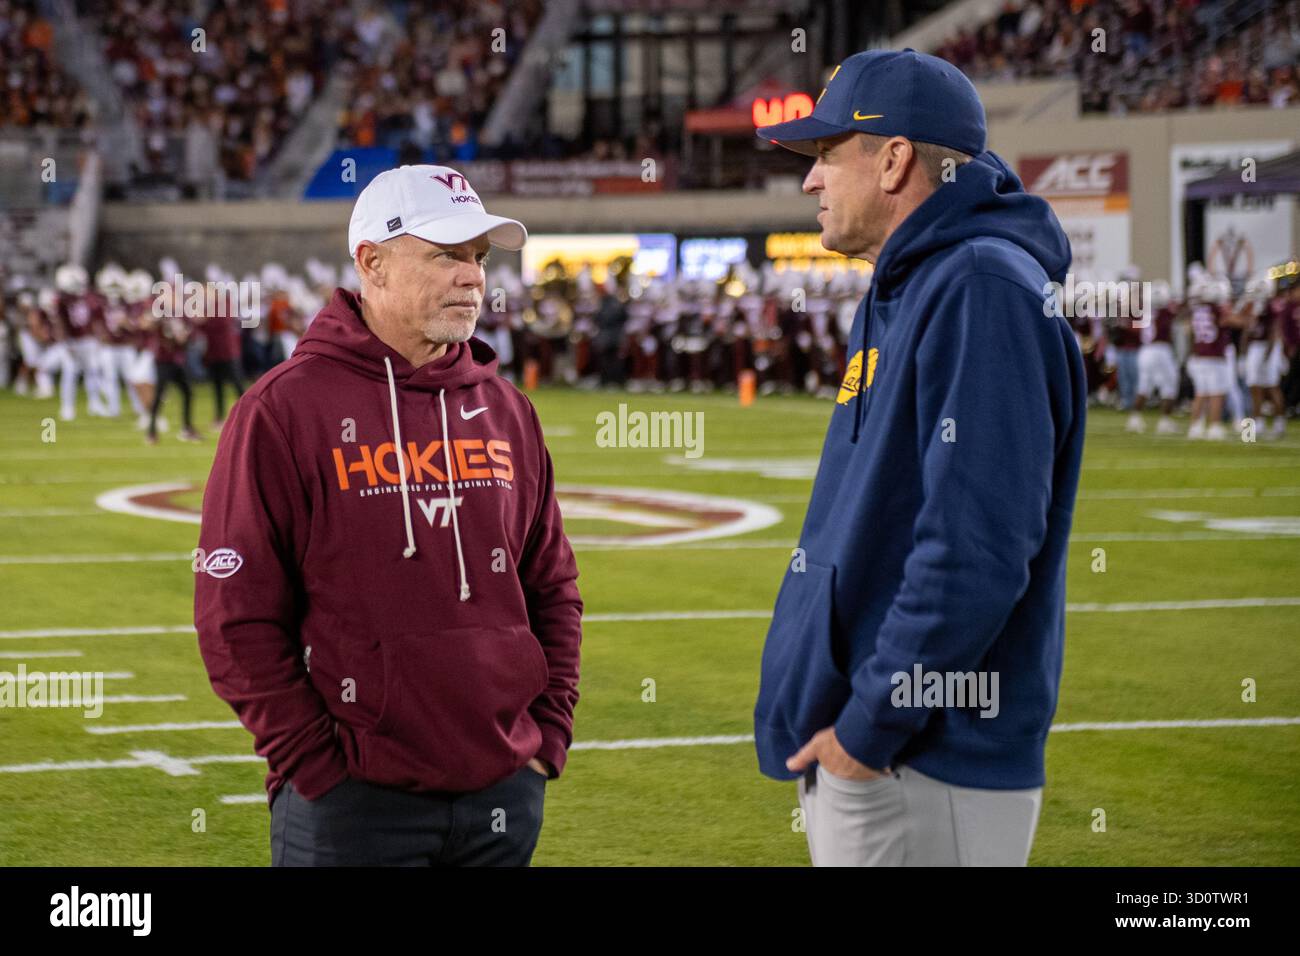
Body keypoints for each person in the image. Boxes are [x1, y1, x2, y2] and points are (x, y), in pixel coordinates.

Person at [752, 49, 1087, 867]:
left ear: (895, 158)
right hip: (892, 760)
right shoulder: (913, 282)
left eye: (828, 155)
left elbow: (976, 548)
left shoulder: (979, 285)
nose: (810, 180)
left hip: (924, 764)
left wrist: (868, 731)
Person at [194, 165, 583, 867]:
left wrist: (546, 737)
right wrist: (315, 765)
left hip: (504, 794)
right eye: (446, 255)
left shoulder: (505, 408)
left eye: (478, 258)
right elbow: (234, 615)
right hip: (352, 803)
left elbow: (552, 587)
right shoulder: (282, 410)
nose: (472, 277)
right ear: (371, 262)